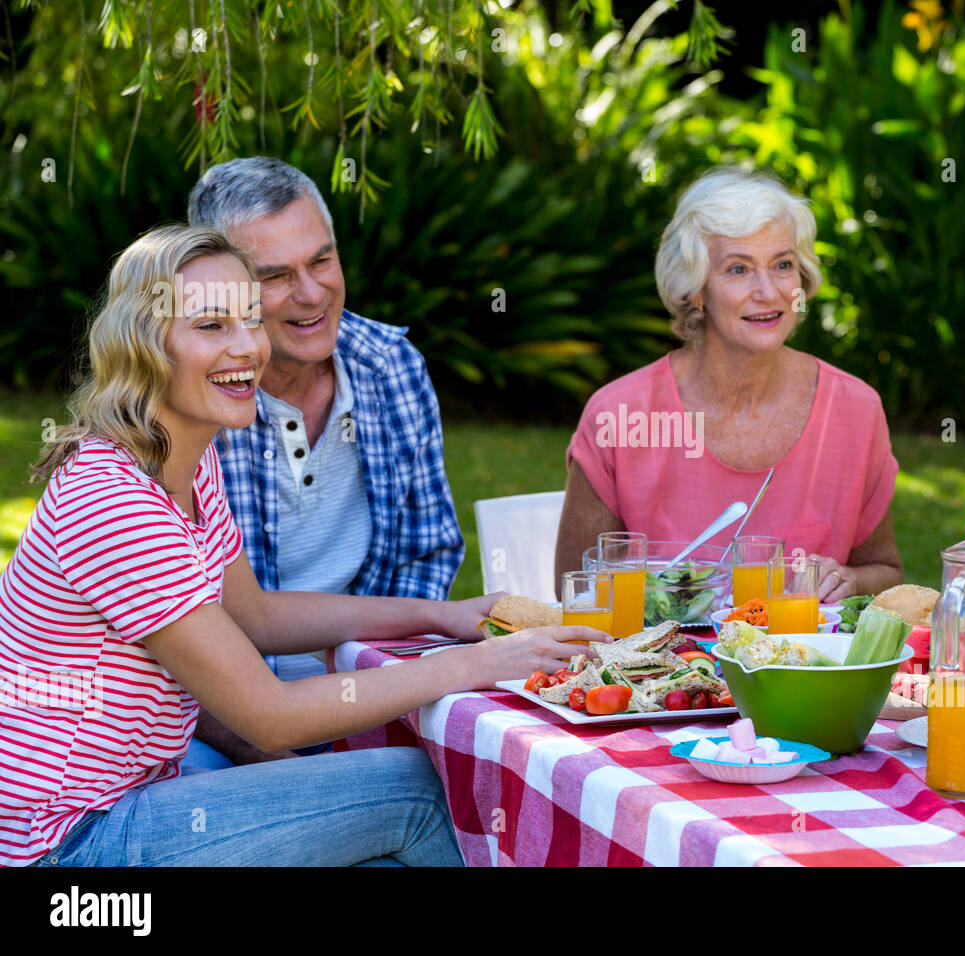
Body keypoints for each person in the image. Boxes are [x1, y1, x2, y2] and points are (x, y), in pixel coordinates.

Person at [0, 225, 602, 866]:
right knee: (423, 793)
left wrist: (441, 615)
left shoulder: (184, 460)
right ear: (146, 347)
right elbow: (270, 715)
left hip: (137, 794)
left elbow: (255, 615)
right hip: (68, 844)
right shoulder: (116, 501)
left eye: (250, 319)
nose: (247, 347)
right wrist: (481, 663)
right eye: (210, 326)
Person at [185, 157, 465, 766]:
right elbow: (169, 634)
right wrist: (281, 762)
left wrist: (371, 696)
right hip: (209, 720)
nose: (311, 293)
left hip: (362, 692)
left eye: (321, 259)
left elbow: (426, 550)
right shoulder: (191, 400)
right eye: (275, 275)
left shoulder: (390, 365)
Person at [556, 166, 904, 603]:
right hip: (656, 668)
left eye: (782, 265)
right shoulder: (620, 416)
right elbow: (574, 593)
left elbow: (887, 571)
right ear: (696, 288)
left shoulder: (855, 410)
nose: (767, 291)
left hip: (798, 667)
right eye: (738, 269)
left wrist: (852, 581)